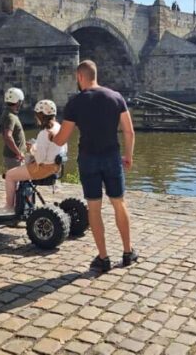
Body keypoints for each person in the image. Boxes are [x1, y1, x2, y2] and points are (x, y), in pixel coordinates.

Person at [52, 60, 137, 272]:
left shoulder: (75, 103)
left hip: (88, 158)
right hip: (112, 156)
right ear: (95, 75)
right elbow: (129, 131)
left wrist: (51, 136)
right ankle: (128, 252)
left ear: (80, 77)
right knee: (119, 203)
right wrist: (128, 155)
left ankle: (103, 257)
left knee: (94, 208)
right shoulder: (116, 97)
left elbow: (62, 139)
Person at [2, 100, 66, 211]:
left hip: (43, 169)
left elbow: (40, 159)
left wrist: (32, 148)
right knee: (21, 171)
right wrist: (37, 146)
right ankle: (25, 203)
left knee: (9, 175)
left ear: (40, 115)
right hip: (56, 167)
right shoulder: (59, 127)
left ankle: (9, 208)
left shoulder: (44, 133)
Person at [0, 87, 26, 172]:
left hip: (13, 156)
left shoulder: (9, 113)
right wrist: (19, 153)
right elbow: (8, 136)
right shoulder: (10, 116)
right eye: (21, 101)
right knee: (17, 179)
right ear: (18, 102)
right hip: (14, 157)